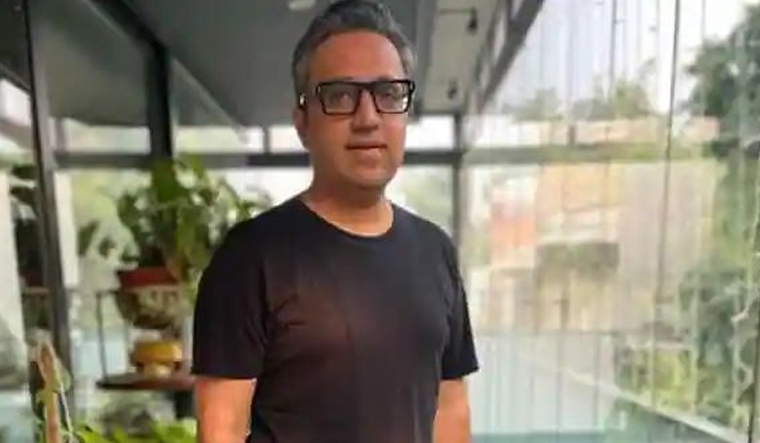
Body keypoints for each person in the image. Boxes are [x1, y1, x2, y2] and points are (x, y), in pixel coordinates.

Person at [191, 1, 479, 442]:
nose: (367, 118)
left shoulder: (435, 250)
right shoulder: (250, 257)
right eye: (341, 96)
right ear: (302, 123)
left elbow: (450, 403)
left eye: (388, 94)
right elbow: (221, 429)